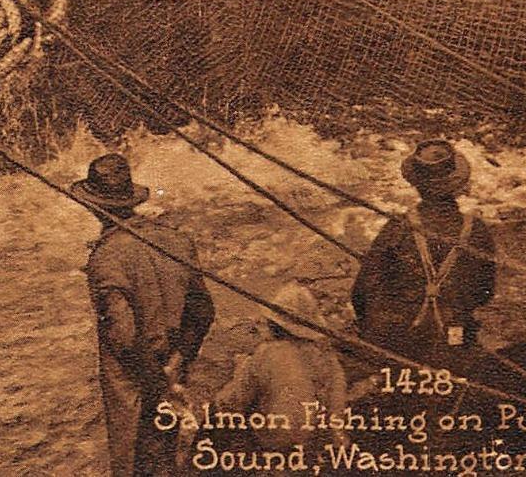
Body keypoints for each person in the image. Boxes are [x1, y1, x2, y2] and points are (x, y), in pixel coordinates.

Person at [76, 153, 215, 477]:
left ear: (94, 206)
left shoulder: (105, 259)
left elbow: (124, 337)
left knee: (135, 463)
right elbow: (204, 311)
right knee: (169, 455)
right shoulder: (176, 241)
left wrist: (157, 383)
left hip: (137, 386)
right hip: (173, 369)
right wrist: (177, 362)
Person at [351, 141, 496, 364]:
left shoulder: (398, 227)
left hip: (402, 337)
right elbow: (485, 292)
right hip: (453, 335)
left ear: (417, 184)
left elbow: (362, 290)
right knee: (460, 343)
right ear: (457, 183)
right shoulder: (476, 230)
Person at [213, 283, 350, 460]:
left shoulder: (268, 353)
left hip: (277, 448)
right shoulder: (329, 360)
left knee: (218, 419)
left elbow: (230, 402)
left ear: (275, 325)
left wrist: (240, 370)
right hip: (320, 450)